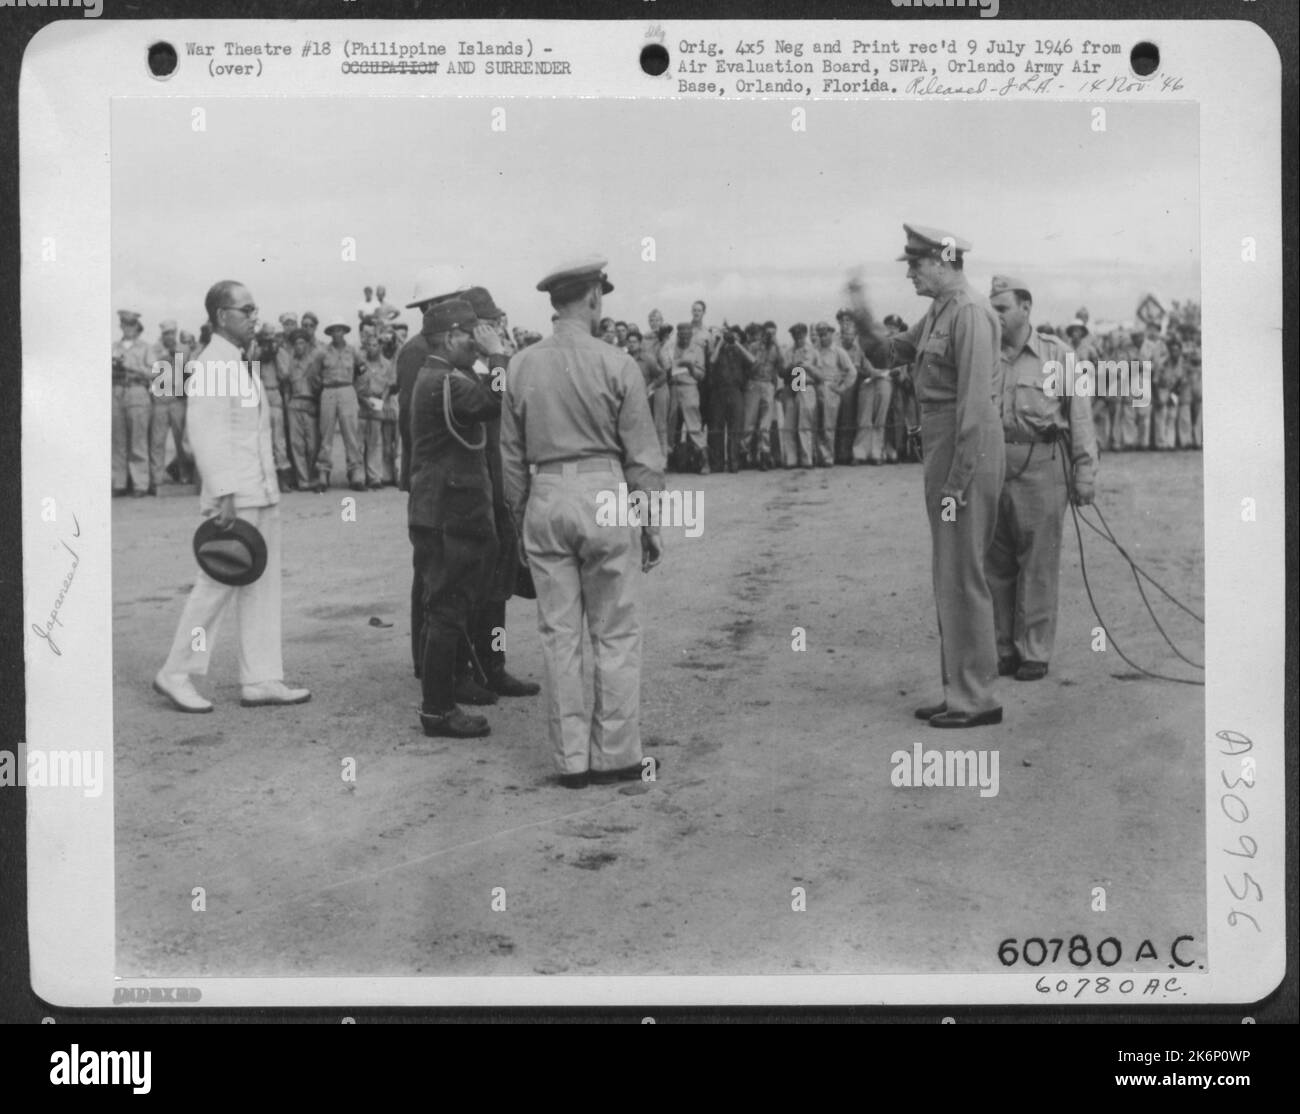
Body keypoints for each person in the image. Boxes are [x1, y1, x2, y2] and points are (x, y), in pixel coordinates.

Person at [501, 257, 666, 790]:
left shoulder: (521, 365)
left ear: (555, 303)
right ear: (594, 299)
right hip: (604, 488)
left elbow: (508, 458)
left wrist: (520, 518)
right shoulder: (618, 363)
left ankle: (570, 758)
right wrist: (649, 520)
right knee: (615, 630)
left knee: (559, 634)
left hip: (545, 491)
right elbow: (643, 453)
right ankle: (615, 753)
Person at [849, 224, 1005, 728]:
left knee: (964, 574)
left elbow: (977, 409)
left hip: (966, 452)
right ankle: (959, 687)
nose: (912, 272)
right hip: (943, 447)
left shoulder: (970, 314)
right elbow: (889, 353)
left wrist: (956, 485)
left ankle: (977, 698)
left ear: (944, 261)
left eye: (917, 263)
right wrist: (862, 313)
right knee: (950, 572)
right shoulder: (940, 311)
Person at [153, 281, 311, 713]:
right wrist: (223, 492)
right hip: (235, 494)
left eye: (255, 309)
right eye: (247, 309)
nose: (255, 316)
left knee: (260, 585)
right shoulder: (211, 364)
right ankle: (175, 672)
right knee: (217, 584)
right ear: (223, 315)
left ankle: (261, 678)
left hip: (258, 490)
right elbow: (205, 434)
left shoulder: (239, 362)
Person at [985, 276, 1097, 683]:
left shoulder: (1058, 355)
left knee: (1038, 563)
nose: (994, 315)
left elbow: (1080, 417)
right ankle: (1002, 649)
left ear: (1026, 307)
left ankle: (1034, 651)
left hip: (1043, 463)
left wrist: (1085, 472)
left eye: (1002, 307)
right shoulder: (982, 354)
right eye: (991, 307)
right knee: (995, 565)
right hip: (993, 464)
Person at [407, 298, 503, 738]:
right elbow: (493, 401)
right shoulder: (447, 381)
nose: (476, 344)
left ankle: (438, 704)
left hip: (437, 510)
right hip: (451, 514)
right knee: (447, 613)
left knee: (440, 610)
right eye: (471, 336)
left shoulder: (436, 376)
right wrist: (497, 353)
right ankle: (438, 710)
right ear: (449, 338)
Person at [448, 285, 541, 703]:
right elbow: (496, 397)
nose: (497, 327)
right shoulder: (470, 369)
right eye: (490, 321)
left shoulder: (493, 365)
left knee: (498, 591)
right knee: (473, 591)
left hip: (501, 487)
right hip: (476, 492)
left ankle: (494, 665)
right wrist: (498, 355)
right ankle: (467, 669)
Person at [313, 321, 366, 492]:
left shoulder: (353, 351)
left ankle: (356, 471)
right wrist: (322, 389)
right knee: (326, 433)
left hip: (347, 389)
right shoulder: (322, 352)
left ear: (345, 332)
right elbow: (314, 376)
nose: (337, 333)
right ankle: (323, 472)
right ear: (330, 333)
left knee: (351, 434)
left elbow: (363, 372)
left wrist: (354, 390)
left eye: (340, 330)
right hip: (328, 390)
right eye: (333, 330)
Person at [147, 318, 191, 489]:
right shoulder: (154, 350)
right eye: (166, 334)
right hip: (160, 400)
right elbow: (152, 370)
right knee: (158, 441)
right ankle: (157, 478)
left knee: (182, 442)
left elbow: (189, 370)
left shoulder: (184, 349)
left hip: (178, 399)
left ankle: (185, 475)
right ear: (162, 334)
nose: (170, 336)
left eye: (172, 333)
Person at [113, 309, 153, 496]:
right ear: (120, 325)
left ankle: (140, 483)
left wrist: (131, 367)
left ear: (137, 327)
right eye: (124, 324)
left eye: (131, 325)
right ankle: (119, 482)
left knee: (138, 440)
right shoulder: (114, 347)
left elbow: (154, 372)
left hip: (137, 391)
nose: (128, 328)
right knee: (118, 441)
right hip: (117, 391)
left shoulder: (145, 348)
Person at [708, 325, 754, 473]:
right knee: (717, 428)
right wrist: (721, 342)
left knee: (735, 429)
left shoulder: (740, 350)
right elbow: (712, 361)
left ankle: (734, 463)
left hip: (735, 391)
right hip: (718, 391)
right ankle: (718, 464)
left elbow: (752, 360)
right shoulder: (718, 349)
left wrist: (737, 344)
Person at [811, 321, 856, 467]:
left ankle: (828, 458)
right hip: (812, 389)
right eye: (820, 335)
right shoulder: (813, 350)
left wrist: (842, 388)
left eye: (825, 334)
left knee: (828, 426)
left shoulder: (838, 351)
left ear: (831, 334)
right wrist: (798, 389)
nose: (823, 337)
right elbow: (801, 369)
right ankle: (816, 457)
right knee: (813, 424)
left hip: (830, 389)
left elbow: (851, 371)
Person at [668, 321, 708, 472]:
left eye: (687, 335)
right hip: (673, 388)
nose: (684, 338)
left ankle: (703, 461)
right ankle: (673, 462)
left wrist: (690, 367)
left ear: (691, 335)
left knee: (694, 426)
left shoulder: (697, 349)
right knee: (671, 426)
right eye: (681, 335)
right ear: (678, 334)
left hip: (689, 388)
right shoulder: (671, 348)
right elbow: (665, 365)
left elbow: (701, 375)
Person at [742, 321, 781, 470]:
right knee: (749, 423)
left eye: (773, 333)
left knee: (766, 424)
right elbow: (750, 365)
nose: (770, 336)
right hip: (754, 383)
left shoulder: (776, 349)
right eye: (768, 333)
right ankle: (744, 454)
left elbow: (781, 366)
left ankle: (764, 454)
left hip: (768, 384)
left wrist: (776, 345)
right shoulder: (753, 347)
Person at [357, 332, 395, 488]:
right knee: (359, 442)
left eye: (375, 345)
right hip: (361, 402)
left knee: (375, 441)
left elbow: (389, 385)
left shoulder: (386, 364)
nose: (372, 348)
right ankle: (359, 476)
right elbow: (354, 383)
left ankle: (374, 477)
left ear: (380, 347)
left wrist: (382, 400)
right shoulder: (360, 364)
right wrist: (363, 400)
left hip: (377, 403)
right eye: (369, 345)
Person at [780, 323, 818, 468]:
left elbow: (818, 372)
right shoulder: (789, 351)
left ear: (805, 335)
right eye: (795, 336)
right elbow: (784, 369)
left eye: (801, 335)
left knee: (804, 424)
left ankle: (807, 458)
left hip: (805, 385)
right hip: (791, 386)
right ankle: (791, 458)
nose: (798, 339)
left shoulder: (812, 351)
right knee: (789, 425)